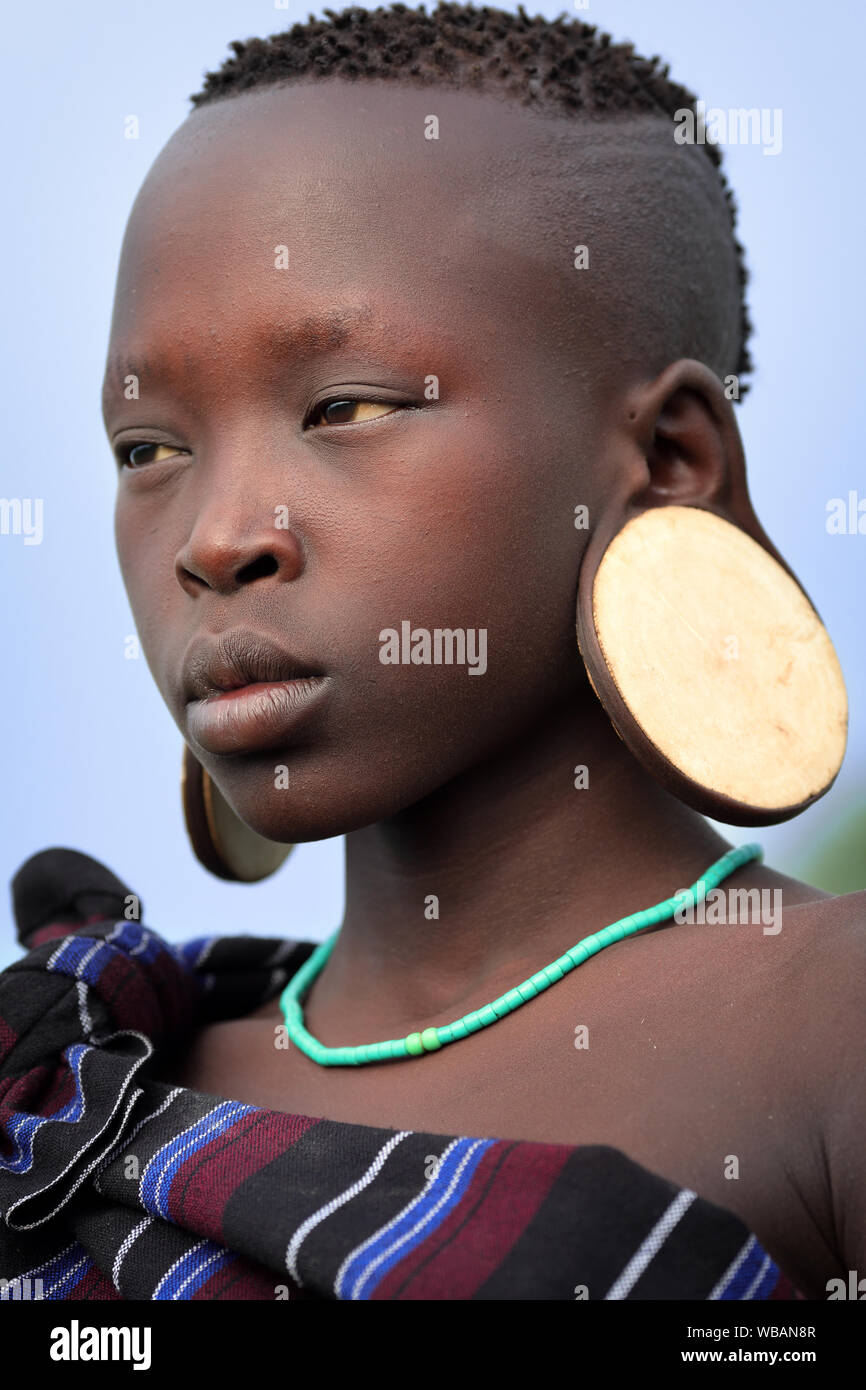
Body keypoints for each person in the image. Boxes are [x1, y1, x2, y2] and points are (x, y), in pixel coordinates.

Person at [1, 2, 862, 1302]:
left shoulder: (828, 1026)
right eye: (150, 450)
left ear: (668, 462)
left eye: (344, 406)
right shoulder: (80, 1098)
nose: (218, 536)